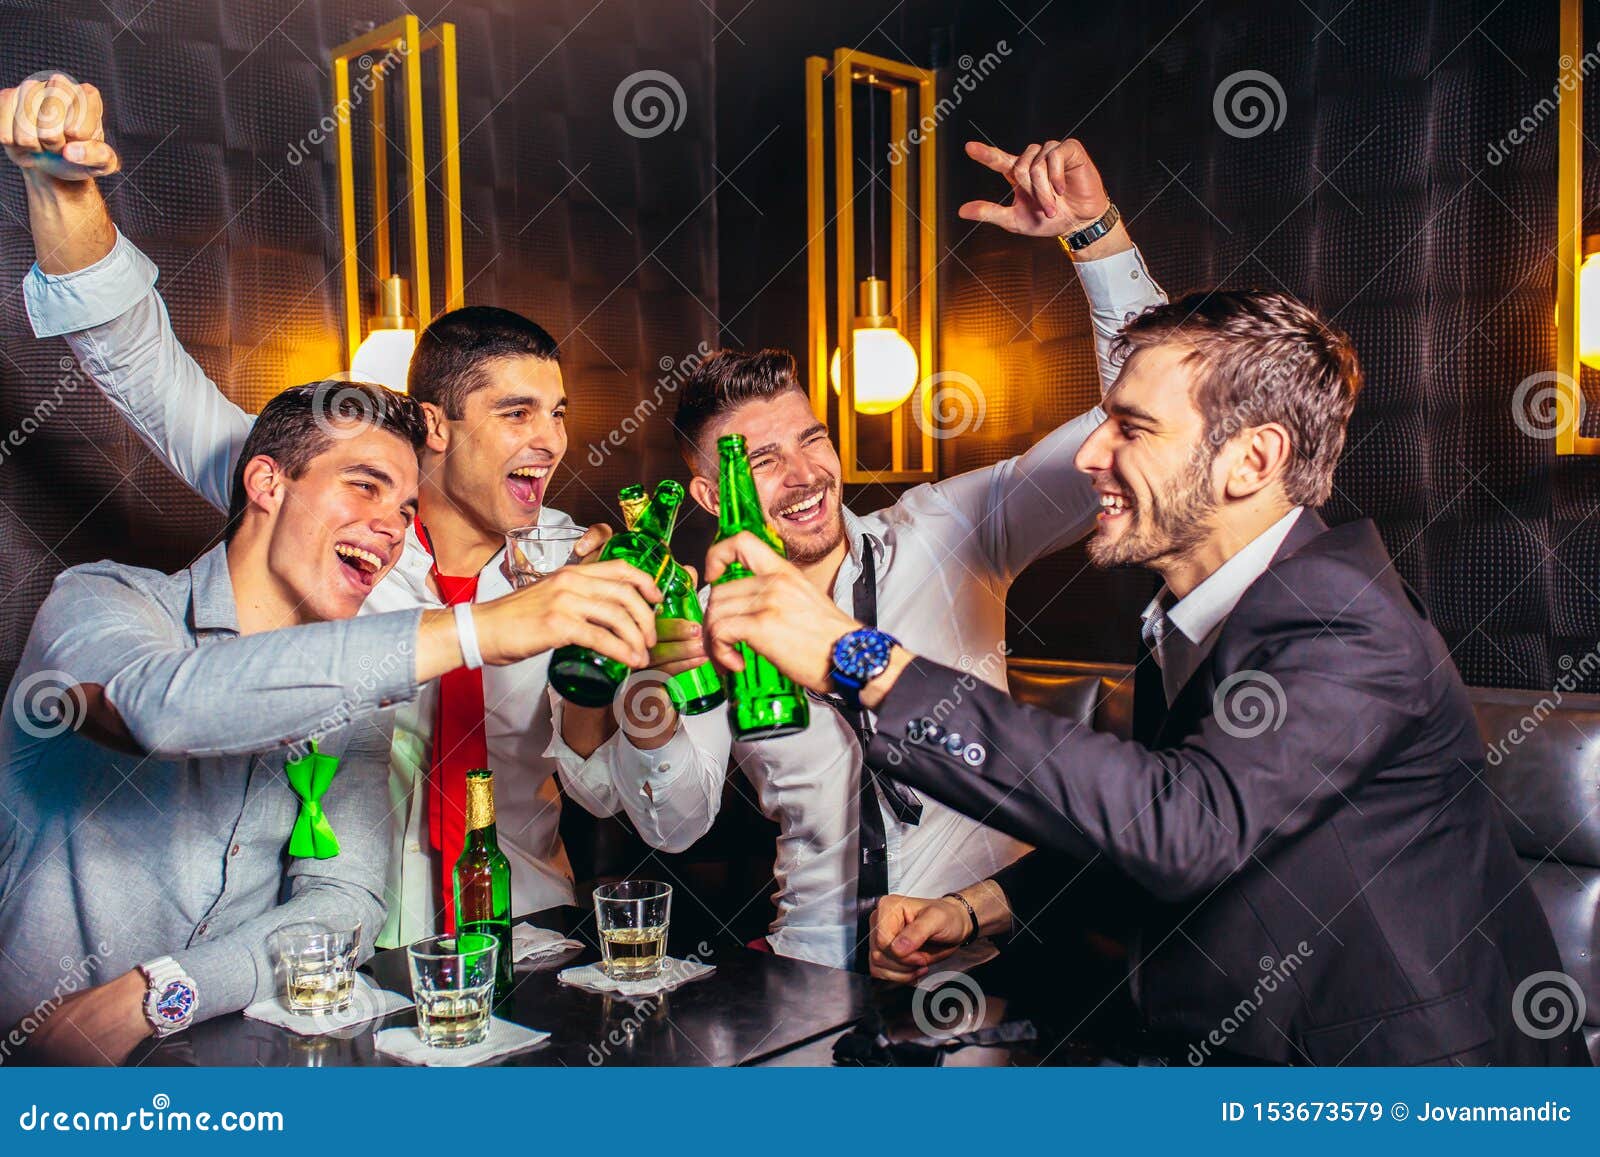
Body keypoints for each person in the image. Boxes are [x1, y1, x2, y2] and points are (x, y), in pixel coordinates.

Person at [697, 283, 1591, 1065]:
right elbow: (1136, 832)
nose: (1090, 455)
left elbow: (1185, 826)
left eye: (1132, 427)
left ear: (1255, 459)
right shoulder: (1199, 613)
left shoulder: (1343, 619)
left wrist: (859, 657)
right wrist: (973, 908)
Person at [2, 73, 645, 945]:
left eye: (560, 414)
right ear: (435, 426)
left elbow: (625, 773)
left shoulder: (572, 565)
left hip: (530, 922)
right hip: (354, 953)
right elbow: (136, 360)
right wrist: (61, 184)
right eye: (516, 413)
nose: (552, 441)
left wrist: (637, 657)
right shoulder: (307, 497)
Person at [546, 135, 1167, 969]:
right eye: (759, 461)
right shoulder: (703, 616)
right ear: (707, 495)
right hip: (810, 964)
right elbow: (674, 824)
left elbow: (1127, 418)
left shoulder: (952, 528)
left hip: (985, 951)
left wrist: (1096, 238)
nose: (806, 475)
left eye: (812, 439)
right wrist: (651, 681)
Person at [0, 378, 661, 1064]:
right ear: (266, 483)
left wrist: (160, 992)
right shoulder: (100, 602)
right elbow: (159, 708)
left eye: (406, 508)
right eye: (365, 485)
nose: (392, 527)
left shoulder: (360, 693)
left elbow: (344, 902)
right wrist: (475, 630)